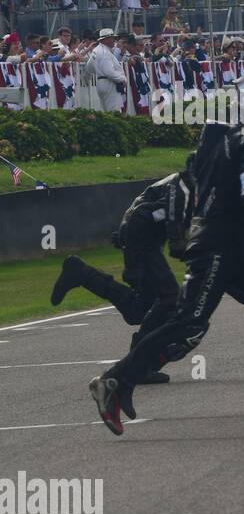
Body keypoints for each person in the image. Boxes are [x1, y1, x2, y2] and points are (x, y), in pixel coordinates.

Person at [88, 75, 244, 434]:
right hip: (219, 246)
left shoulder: (222, 133)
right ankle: (112, 381)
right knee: (188, 321)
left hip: (229, 244)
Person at [51, 161, 194, 385]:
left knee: (138, 310)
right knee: (169, 298)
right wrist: (134, 263)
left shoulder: (189, 184)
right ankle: (139, 364)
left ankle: (81, 273)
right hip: (141, 241)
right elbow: (142, 216)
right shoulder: (183, 189)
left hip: (142, 238)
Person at [88, 29, 126, 112]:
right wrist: (122, 79)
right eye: (112, 38)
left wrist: (99, 71)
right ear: (105, 40)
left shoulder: (96, 50)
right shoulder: (105, 52)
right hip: (109, 82)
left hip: (101, 81)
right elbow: (109, 72)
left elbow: (89, 67)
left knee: (106, 110)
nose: (114, 41)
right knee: (114, 111)